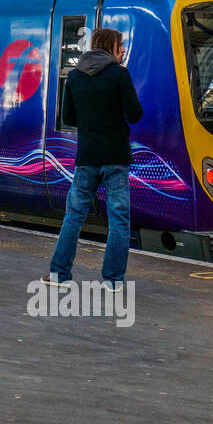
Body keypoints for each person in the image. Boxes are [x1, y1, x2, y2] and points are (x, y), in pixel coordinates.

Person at [43, 27, 143, 292]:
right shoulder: (119, 75)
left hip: (86, 156)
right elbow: (135, 114)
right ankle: (113, 280)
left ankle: (59, 274)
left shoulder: (75, 76)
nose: (122, 51)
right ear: (110, 46)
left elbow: (69, 118)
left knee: (74, 216)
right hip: (115, 157)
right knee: (119, 219)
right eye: (120, 46)